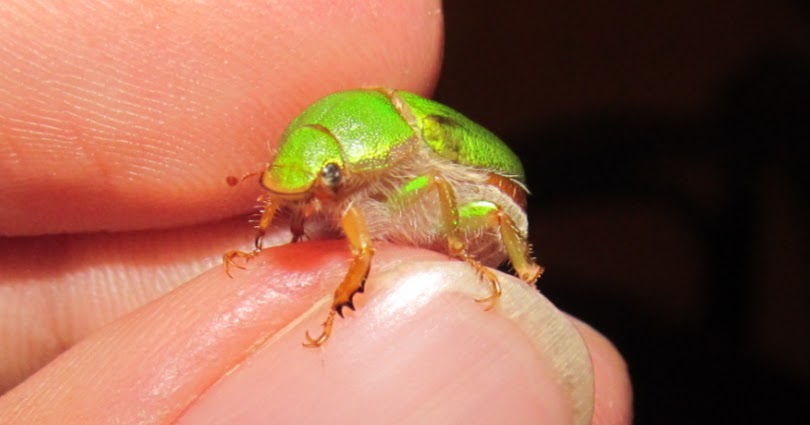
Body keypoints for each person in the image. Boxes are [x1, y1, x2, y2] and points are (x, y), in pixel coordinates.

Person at [0, 1, 631, 423]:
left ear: (357, 158)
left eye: (327, 179)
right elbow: (300, 194)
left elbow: (390, 233)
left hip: (473, 203)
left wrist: (462, 254)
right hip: (381, 187)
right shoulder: (331, 168)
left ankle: (498, 277)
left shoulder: (407, 146)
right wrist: (281, 218)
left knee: (471, 222)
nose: (308, 200)